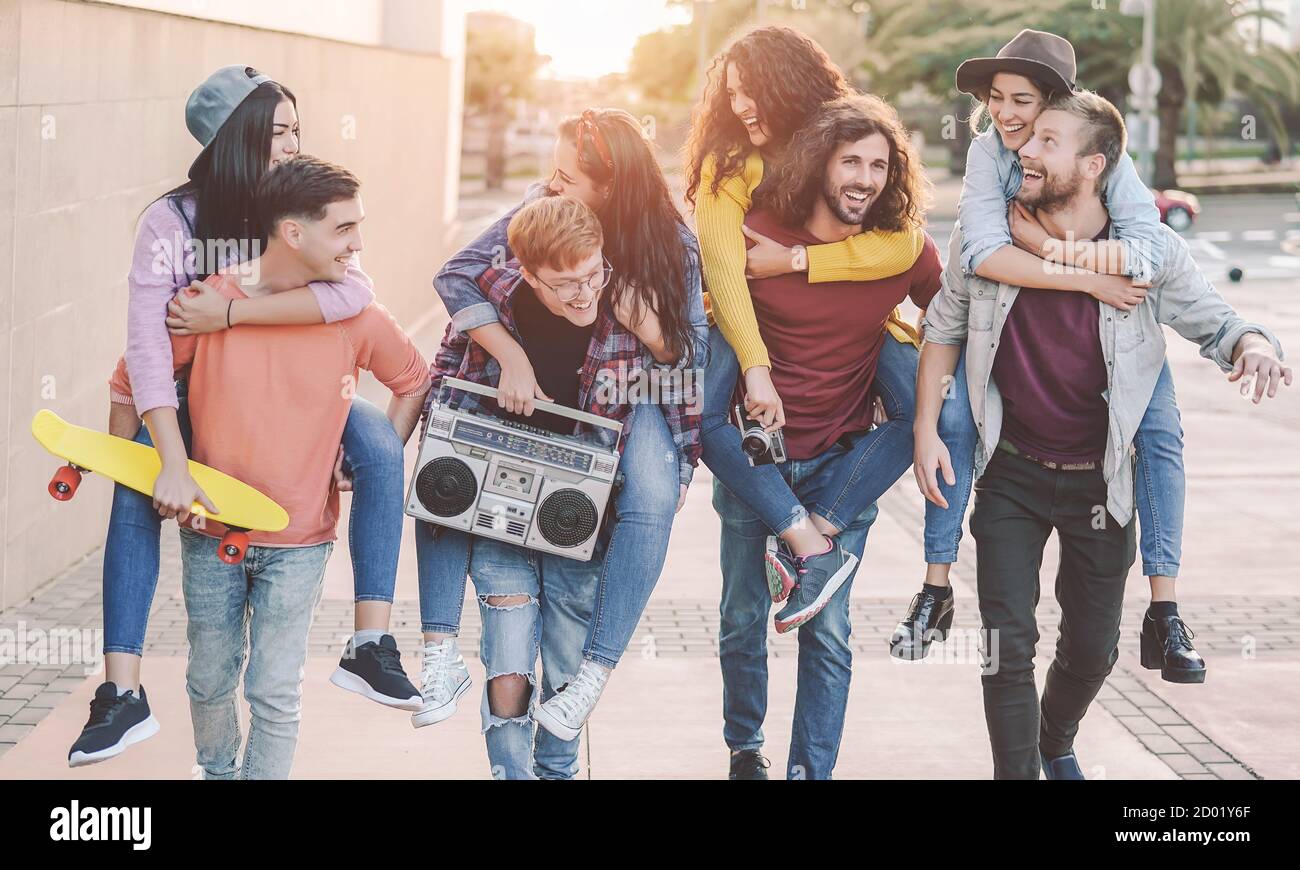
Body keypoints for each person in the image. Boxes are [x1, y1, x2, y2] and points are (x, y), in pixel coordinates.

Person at [917, 90, 1290, 779]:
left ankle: (1055, 742)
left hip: (1103, 483)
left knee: (1091, 650)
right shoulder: (989, 240)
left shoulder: (1146, 255)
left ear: (1093, 165)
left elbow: (1219, 320)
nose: (1025, 148)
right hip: (1012, 474)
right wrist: (926, 424)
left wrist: (1256, 347)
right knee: (1008, 645)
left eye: (1048, 141)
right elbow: (940, 325)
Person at [69, 66, 419, 769]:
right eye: (278, 132)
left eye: (298, 130)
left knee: (379, 441)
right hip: (193, 389)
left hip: (295, 380)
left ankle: (370, 641)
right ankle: (122, 690)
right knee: (135, 481)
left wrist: (233, 311)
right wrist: (167, 456)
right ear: (235, 139)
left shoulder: (302, 202)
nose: (292, 144)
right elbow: (145, 354)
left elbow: (355, 296)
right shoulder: (173, 223)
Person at [893, 30, 1205, 684]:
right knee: (951, 418)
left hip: (1117, 341)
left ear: (1059, 106)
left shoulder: (1100, 156)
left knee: (1160, 428)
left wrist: (1059, 251)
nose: (1007, 114)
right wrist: (1089, 277)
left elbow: (1148, 255)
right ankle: (935, 584)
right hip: (1034, 341)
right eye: (997, 98)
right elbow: (982, 254)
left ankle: (1166, 611)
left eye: (1024, 100)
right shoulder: (988, 153)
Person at [412, 109, 706, 742]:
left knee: (654, 493)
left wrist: (643, 322)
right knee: (445, 473)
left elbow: (689, 359)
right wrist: (510, 357)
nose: (554, 182)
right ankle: (439, 651)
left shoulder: (671, 243)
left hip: (639, 385)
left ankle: (594, 674)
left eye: (569, 176)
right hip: (552, 401)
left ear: (611, 185)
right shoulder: (543, 214)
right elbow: (458, 275)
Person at [713, 94, 942, 780]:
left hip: (845, 469)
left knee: (830, 636)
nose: (866, 178)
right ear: (820, 164)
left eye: (880, 165)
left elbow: (957, 313)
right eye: (852, 160)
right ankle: (745, 748)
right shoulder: (756, 237)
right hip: (756, 465)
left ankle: (808, 773)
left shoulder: (900, 252)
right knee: (740, 618)